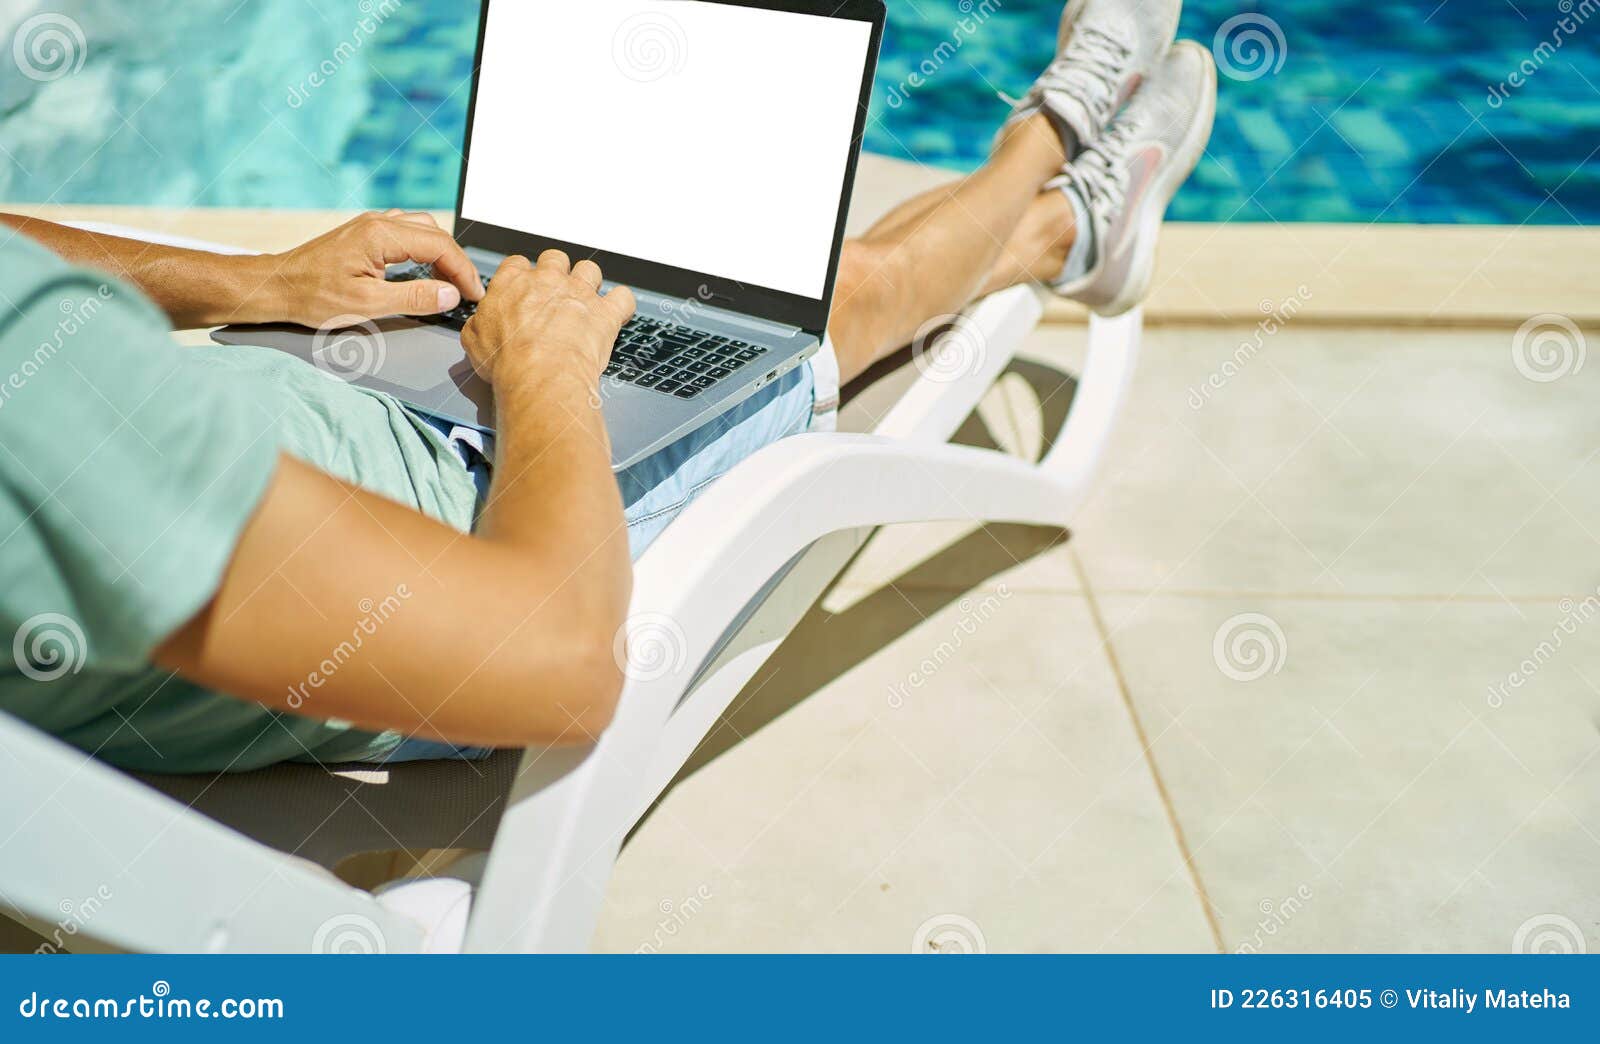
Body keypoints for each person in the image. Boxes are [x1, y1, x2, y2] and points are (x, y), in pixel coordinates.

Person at [0, 1, 1212, 773]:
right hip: (472, 513)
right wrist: (547, 379)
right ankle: (1056, 162)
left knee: (694, 289)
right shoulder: (51, 465)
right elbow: (555, 663)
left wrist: (257, 284)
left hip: (298, 383)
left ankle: (1063, 195)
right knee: (835, 296)